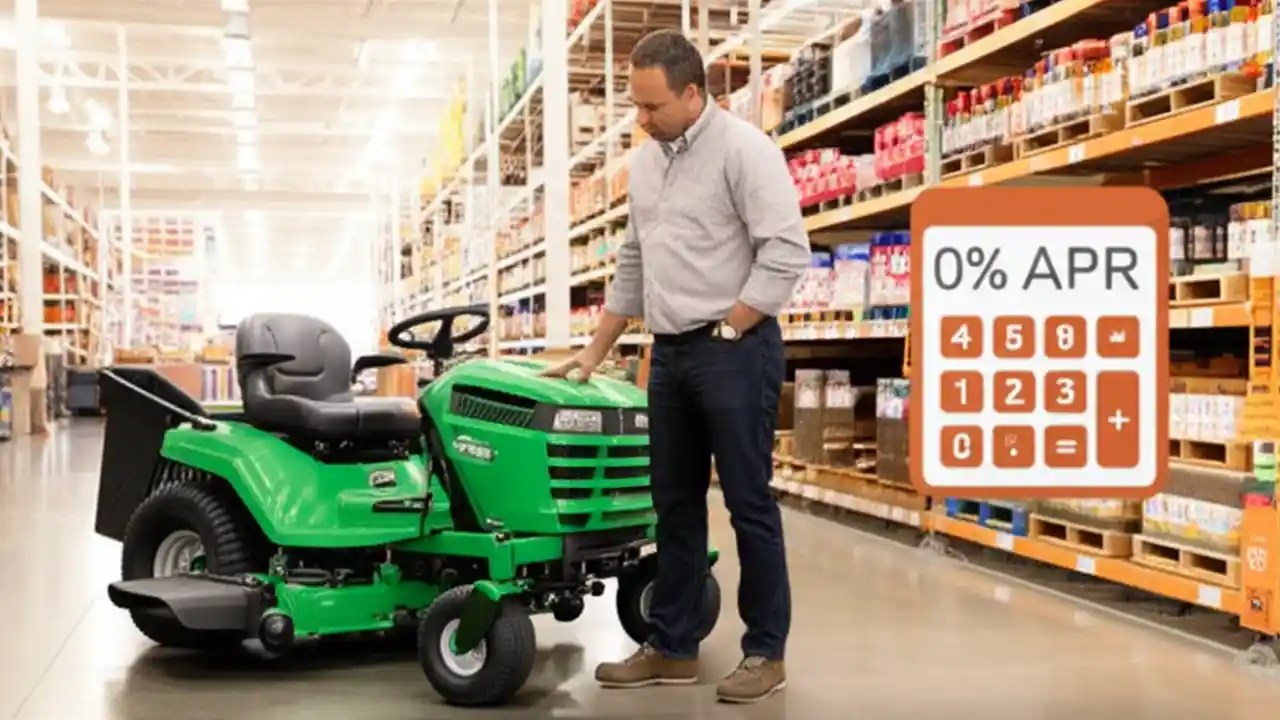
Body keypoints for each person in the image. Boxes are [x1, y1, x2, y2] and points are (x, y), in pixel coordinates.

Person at [542, 28, 810, 704]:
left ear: (694, 93)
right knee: (674, 505)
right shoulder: (646, 162)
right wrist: (595, 350)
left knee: (749, 503)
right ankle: (672, 645)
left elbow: (786, 251)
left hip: (733, 350)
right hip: (668, 355)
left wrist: (731, 325)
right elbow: (633, 261)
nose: (641, 118)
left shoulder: (747, 152)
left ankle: (764, 652)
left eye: (653, 105)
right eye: (636, 104)